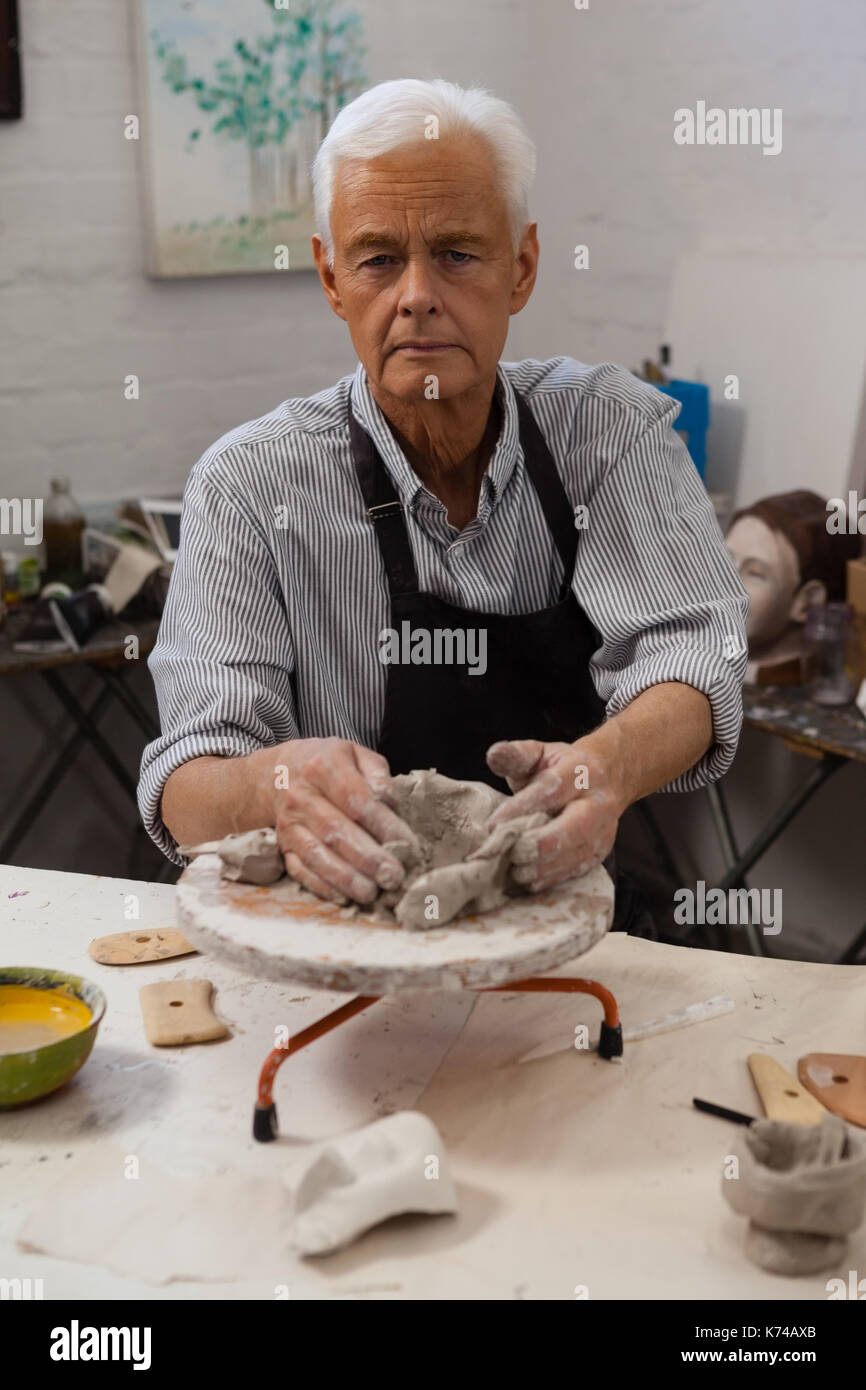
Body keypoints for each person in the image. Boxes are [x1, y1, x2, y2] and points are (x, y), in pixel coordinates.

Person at [138, 78, 748, 936]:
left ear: (522, 267)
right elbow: (187, 783)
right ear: (330, 277)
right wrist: (275, 787)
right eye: (379, 259)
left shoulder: (605, 432)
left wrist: (604, 766)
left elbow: (697, 650)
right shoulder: (250, 485)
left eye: (458, 254)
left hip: (558, 922)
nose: (417, 293)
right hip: (341, 942)